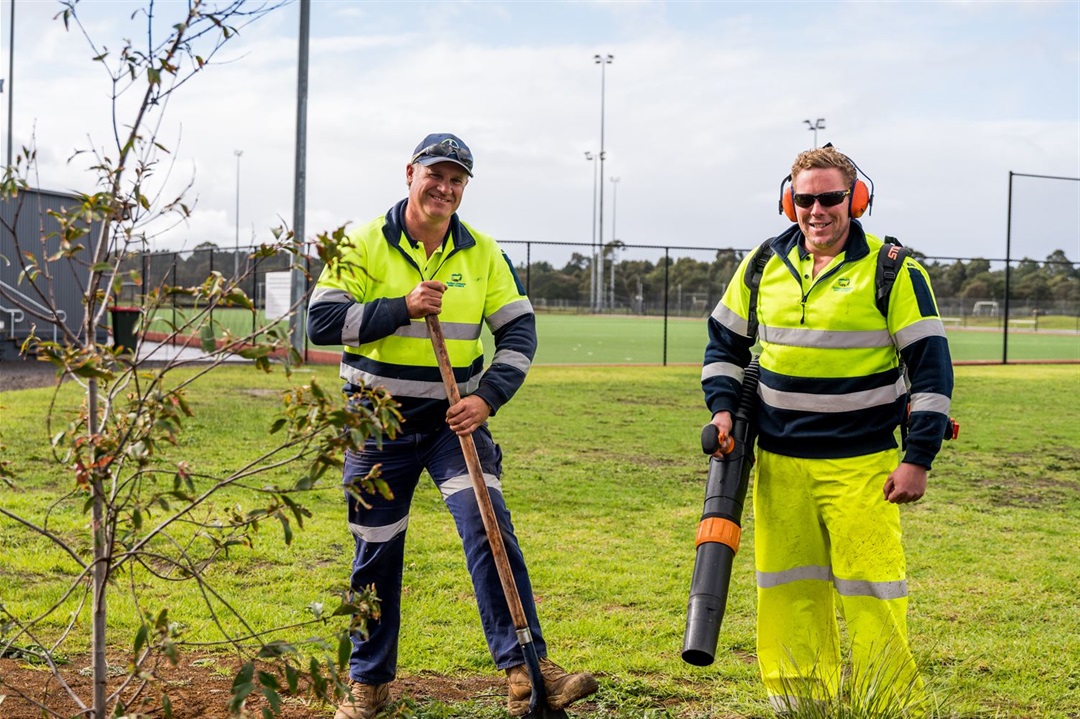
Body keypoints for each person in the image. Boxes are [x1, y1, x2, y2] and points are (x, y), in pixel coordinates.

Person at [307, 133, 597, 719]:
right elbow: (322, 321)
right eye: (435, 174)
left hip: (452, 423)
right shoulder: (362, 243)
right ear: (410, 173)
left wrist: (487, 397)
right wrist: (403, 307)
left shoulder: (484, 253)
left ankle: (527, 671)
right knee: (377, 550)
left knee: (488, 526)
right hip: (376, 421)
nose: (444, 187)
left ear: (466, 187)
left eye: (457, 179)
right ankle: (369, 681)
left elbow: (519, 332)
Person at [701, 146, 953, 714]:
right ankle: (798, 704)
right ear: (790, 201)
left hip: (863, 467)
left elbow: (932, 369)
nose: (818, 210)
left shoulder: (894, 270)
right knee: (788, 589)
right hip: (779, 463)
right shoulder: (764, 263)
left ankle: (884, 702)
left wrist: (918, 458)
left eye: (830, 197)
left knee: (873, 592)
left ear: (855, 199)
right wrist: (722, 408)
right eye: (806, 198)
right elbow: (724, 344)